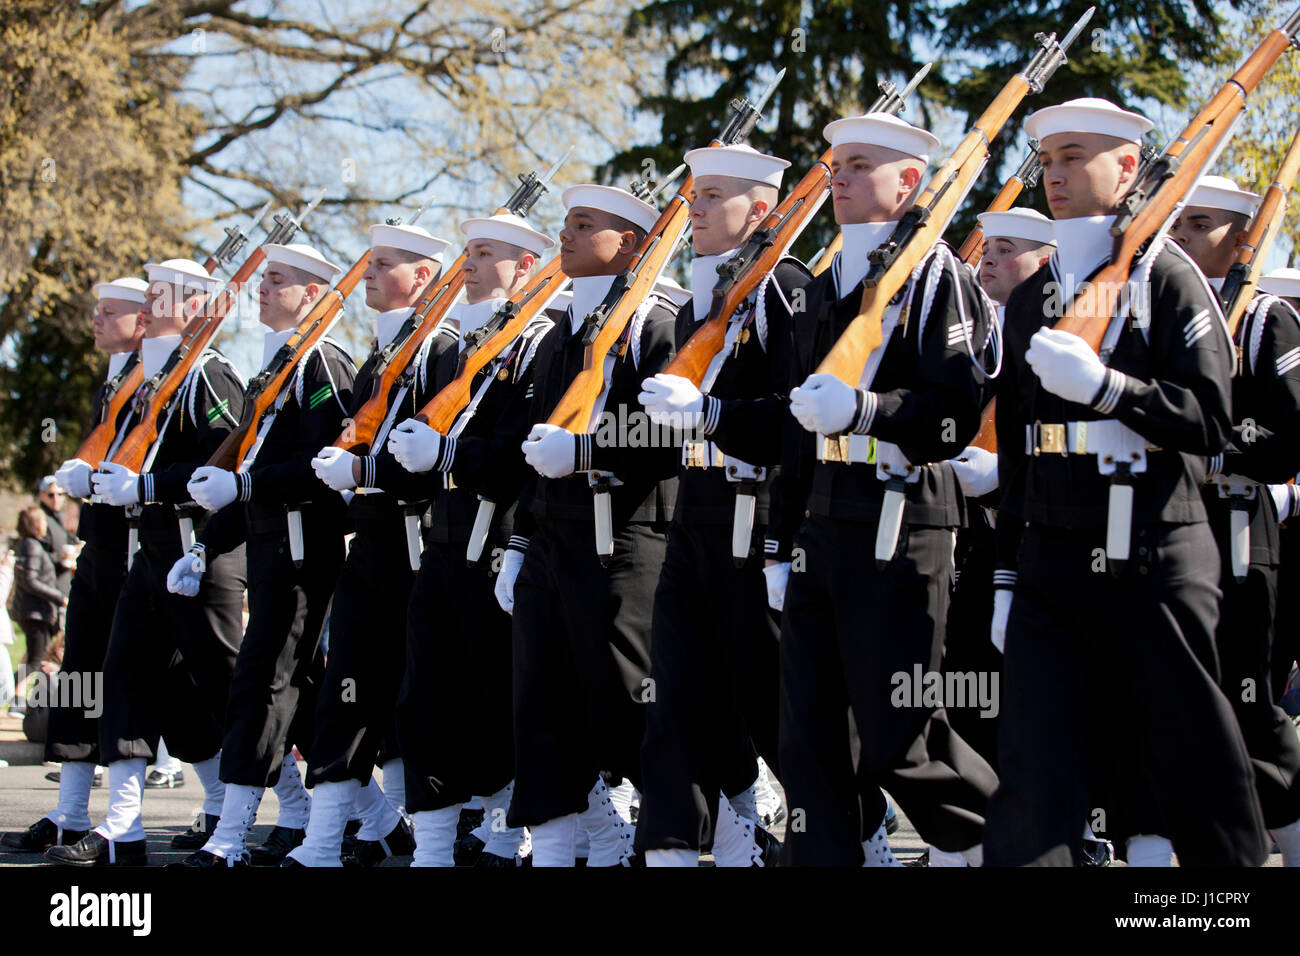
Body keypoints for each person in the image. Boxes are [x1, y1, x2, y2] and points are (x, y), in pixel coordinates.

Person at [984, 98, 1268, 867]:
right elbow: (1017, 448)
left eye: (1075, 156)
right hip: (1052, 553)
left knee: (1194, 754)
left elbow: (1211, 420)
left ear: (1129, 167)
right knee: (1034, 766)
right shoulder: (1037, 298)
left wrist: (1112, 391)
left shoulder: (1169, 279)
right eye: (1046, 160)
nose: (1057, 174)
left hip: (1153, 548)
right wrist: (1008, 573)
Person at [772, 111, 1000, 867]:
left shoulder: (940, 275)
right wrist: (780, 542)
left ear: (909, 182)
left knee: (900, 732)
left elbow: (954, 417)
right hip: (823, 521)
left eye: (860, 164)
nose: (838, 177)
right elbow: (798, 429)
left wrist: (869, 409)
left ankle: (1004, 844)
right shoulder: (823, 280)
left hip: (902, 519)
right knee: (810, 734)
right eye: (836, 164)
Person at [633, 143, 810, 867]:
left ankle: (855, 839)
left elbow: (801, 415)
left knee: (773, 705)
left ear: (761, 210)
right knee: (674, 701)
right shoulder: (700, 298)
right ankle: (680, 853)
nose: (693, 206)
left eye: (711, 195)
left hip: (754, 515)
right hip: (696, 516)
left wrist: (713, 417)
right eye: (693, 194)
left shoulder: (783, 288)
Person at [496, 183, 680, 866]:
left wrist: (588, 451)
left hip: (624, 536)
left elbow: (671, 435)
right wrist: (519, 543)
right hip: (553, 537)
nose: (564, 235)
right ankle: (559, 851)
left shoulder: (658, 323)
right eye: (567, 223)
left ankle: (719, 831)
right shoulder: (559, 335)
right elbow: (532, 451)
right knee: (540, 708)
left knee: (630, 703)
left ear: (630, 243)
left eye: (583, 224)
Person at [47, 258, 248, 867]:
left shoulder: (210, 376)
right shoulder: (156, 379)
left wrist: (148, 486)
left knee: (224, 688)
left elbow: (229, 461)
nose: (151, 300)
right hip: (149, 549)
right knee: (125, 679)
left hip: (195, 550)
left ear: (195, 309)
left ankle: (303, 813)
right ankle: (122, 830)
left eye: (166, 293)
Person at [166, 242, 356, 867]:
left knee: (262, 680)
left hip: (304, 545)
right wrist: (207, 545)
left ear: (312, 294)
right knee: (296, 685)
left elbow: (328, 462)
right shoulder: (279, 365)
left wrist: (244, 489)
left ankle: (233, 833)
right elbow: (254, 464)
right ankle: (377, 821)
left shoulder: (323, 363)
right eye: (264, 279)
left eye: (278, 281)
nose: (263, 289)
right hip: (272, 543)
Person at [285, 223, 458, 867]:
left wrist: (364, 472)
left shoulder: (445, 354)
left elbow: (435, 462)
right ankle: (324, 839)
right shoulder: (373, 363)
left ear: (421, 277)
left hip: (425, 544)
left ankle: (469, 837)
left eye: (384, 264)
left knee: (431, 696)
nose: (367, 274)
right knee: (347, 688)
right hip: (376, 541)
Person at [387, 212, 555, 867]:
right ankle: (431, 844)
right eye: (469, 251)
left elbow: (529, 450)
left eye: (486, 253)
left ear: (526, 266)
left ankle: (509, 836)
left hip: (504, 538)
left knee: (497, 694)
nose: (471, 265)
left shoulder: (542, 343)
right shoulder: (455, 346)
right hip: (447, 535)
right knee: (426, 694)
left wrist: (452, 448)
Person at [1170, 178, 1300, 865]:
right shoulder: (1172, 311)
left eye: (1200, 223)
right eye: (1179, 222)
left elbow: (1292, 433)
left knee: (1250, 705)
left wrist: (1215, 449)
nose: (1181, 235)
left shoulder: (1265, 319)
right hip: (1175, 530)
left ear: (1241, 235)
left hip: (1241, 533)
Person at [2, 276, 146, 855]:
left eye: (110, 313)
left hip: (138, 548)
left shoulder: (155, 380)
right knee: (81, 680)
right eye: (97, 311)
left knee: (156, 687)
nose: (96, 321)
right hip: (100, 548)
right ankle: (69, 812)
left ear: (143, 320)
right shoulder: (112, 379)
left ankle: (196, 815)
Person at [10, 507, 66, 718]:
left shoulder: (31, 545)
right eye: (42, 521)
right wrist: (59, 597)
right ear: (35, 524)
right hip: (34, 611)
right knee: (38, 656)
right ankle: (17, 699)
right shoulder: (32, 546)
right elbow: (31, 581)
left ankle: (16, 696)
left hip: (33, 610)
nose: (46, 525)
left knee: (31, 654)